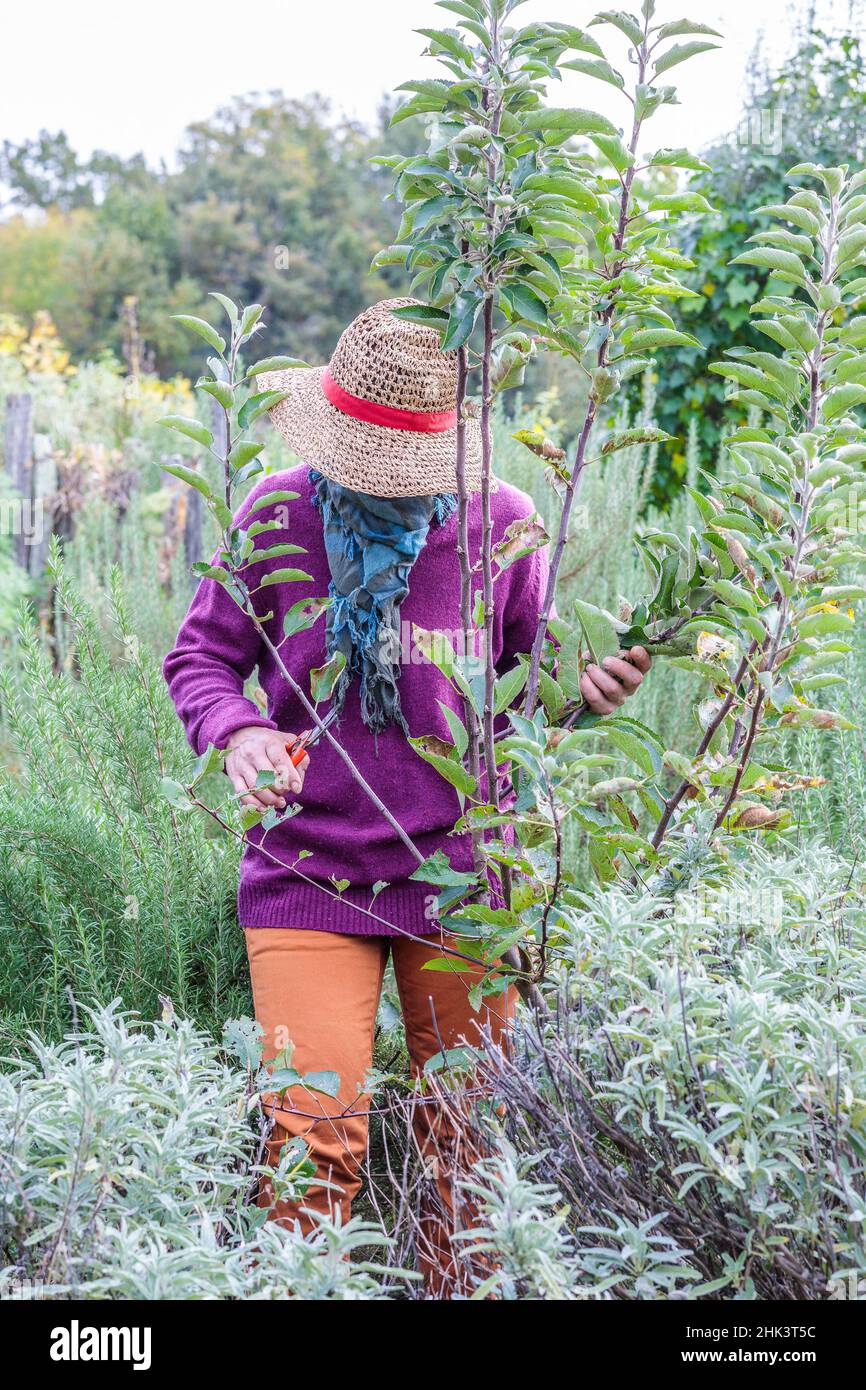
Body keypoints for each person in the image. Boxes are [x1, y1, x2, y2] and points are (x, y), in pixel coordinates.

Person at [163, 297, 651, 1287]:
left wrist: (587, 692)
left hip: (466, 883)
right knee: (312, 1137)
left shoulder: (501, 524)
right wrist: (241, 726)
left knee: (461, 1154)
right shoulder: (276, 511)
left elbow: (535, 688)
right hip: (309, 874)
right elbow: (201, 655)